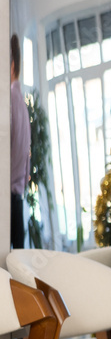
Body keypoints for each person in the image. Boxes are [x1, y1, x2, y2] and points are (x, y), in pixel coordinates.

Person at [10, 35, 31, 250]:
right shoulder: (23, 106)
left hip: (6, 201)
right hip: (17, 200)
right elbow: (27, 159)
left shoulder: (7, 100)